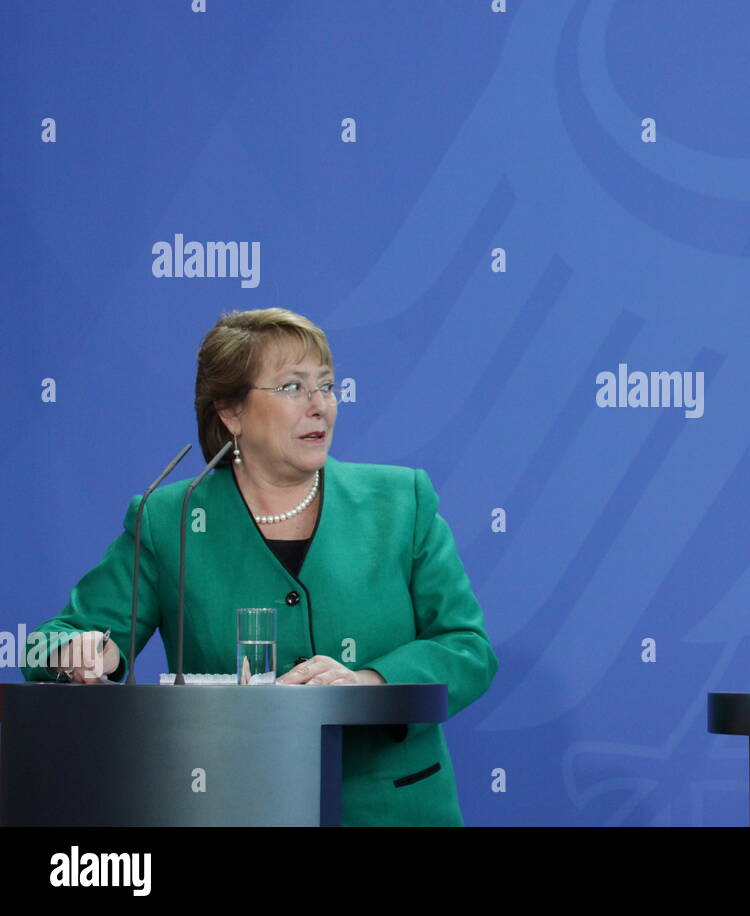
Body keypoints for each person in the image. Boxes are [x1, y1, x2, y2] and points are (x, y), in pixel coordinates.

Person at [22, 307, 497, 826]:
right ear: (231, 411)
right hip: (233, 807)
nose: (320, 407)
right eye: (293, 388)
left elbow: (466, 648)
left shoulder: (402, 500)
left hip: (393, 808)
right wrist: (80, 652)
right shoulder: (169, 517)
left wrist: (367, 681)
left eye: (327, 386)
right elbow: (48, 642)